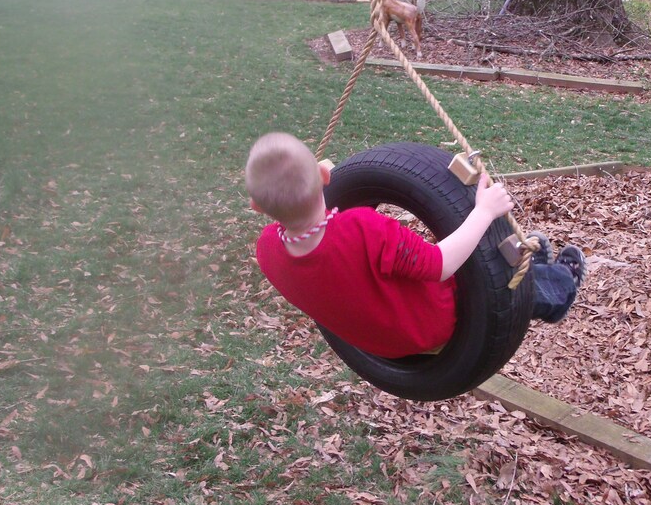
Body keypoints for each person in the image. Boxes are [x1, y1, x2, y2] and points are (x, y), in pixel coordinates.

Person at [246, 132, 584, 359]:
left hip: (377, 344)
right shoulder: (362, 228)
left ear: (256, 206)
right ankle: (558, 290)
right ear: (324, 175)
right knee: (485, 283)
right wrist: (483, 212)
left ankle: (534, 272)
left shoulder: (266, 251)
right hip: (433, 327)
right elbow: (440, 265)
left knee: (492, 269)